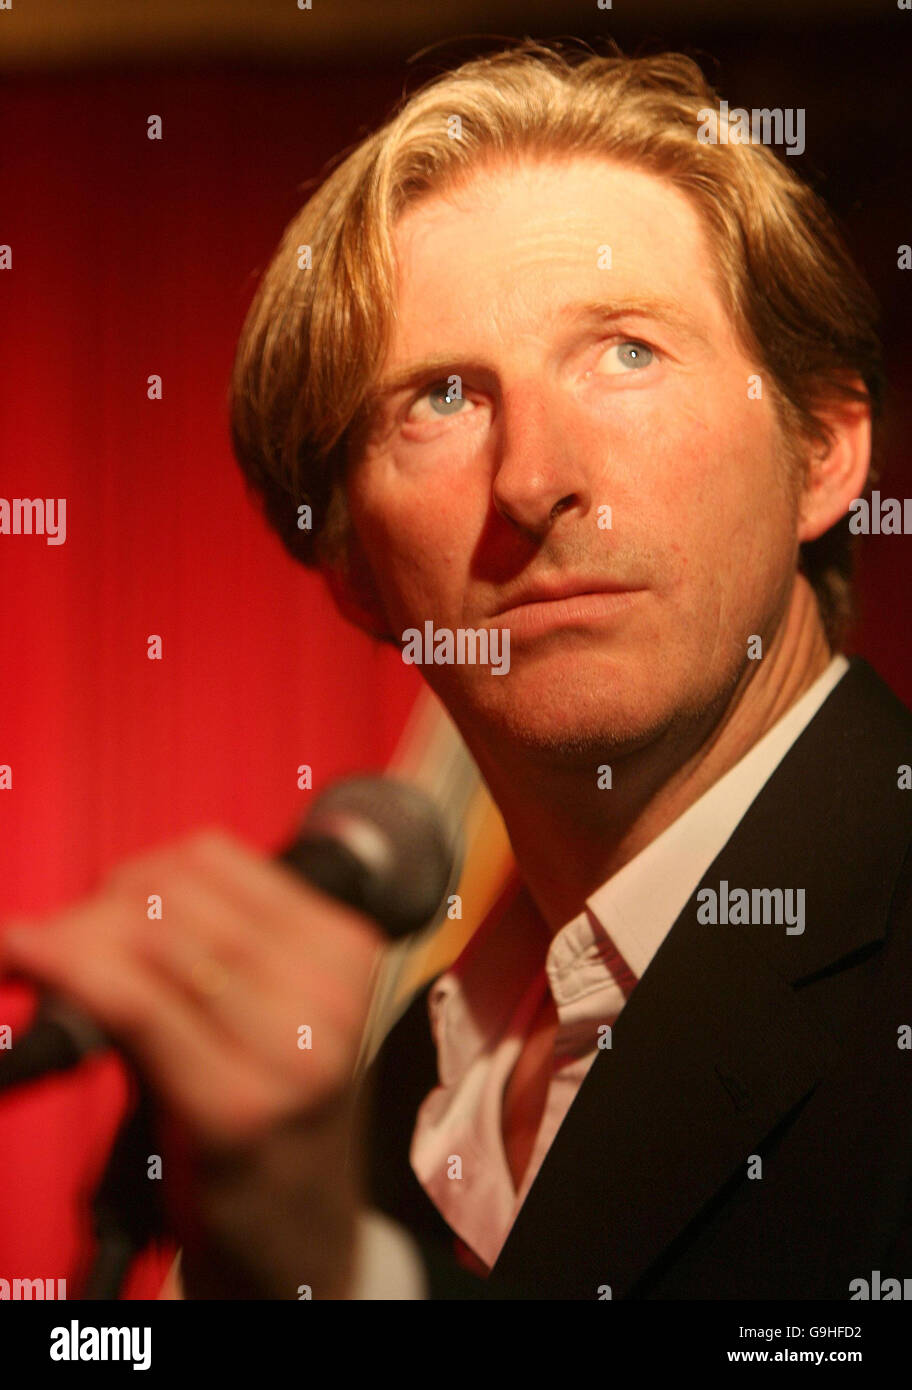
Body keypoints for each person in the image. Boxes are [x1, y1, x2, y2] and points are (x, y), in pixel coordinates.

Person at [2, 39, 909, 1300]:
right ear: (354, 568)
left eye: (627, 351)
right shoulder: (401, 1088)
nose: (535, 477)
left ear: (821, 452)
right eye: (439, 397)